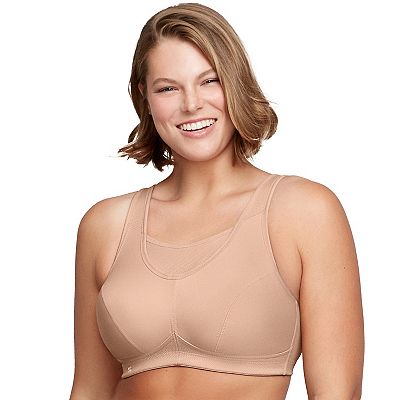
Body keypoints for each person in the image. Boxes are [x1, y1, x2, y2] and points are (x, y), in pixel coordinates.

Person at [69, 3, 364, 400]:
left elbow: (337, 393)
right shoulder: (104, 225)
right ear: (145, 97)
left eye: (209, 81)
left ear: (235, 83)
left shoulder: (304, 212)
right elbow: (89, 389)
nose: (191, 104)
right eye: (168, 88)